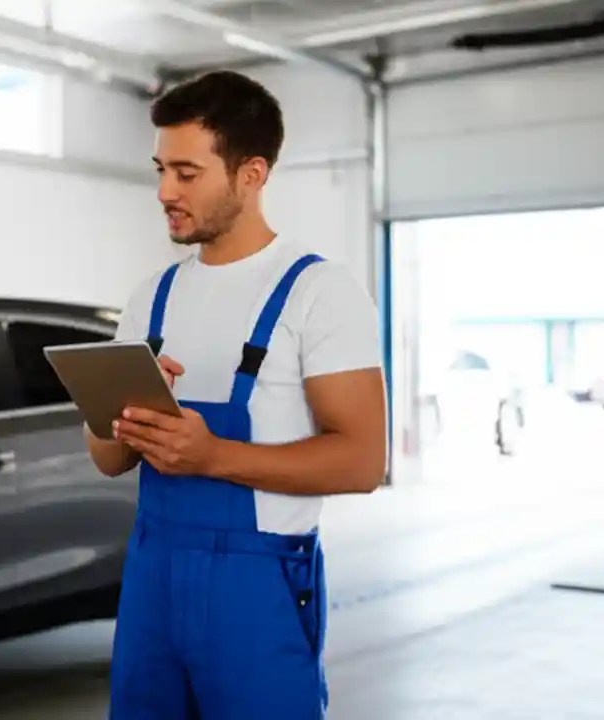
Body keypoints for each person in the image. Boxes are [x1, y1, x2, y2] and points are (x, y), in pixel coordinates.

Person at [86, 70, 388, 719]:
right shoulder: (151, 298)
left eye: (187, 173)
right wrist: (123, 419)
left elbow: (363, 462)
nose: (165, 191)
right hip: (152, 578)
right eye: (161, 170)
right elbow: (107, 458)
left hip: (257, 588)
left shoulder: (318, 292)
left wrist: (212, 456)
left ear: (251, 174)